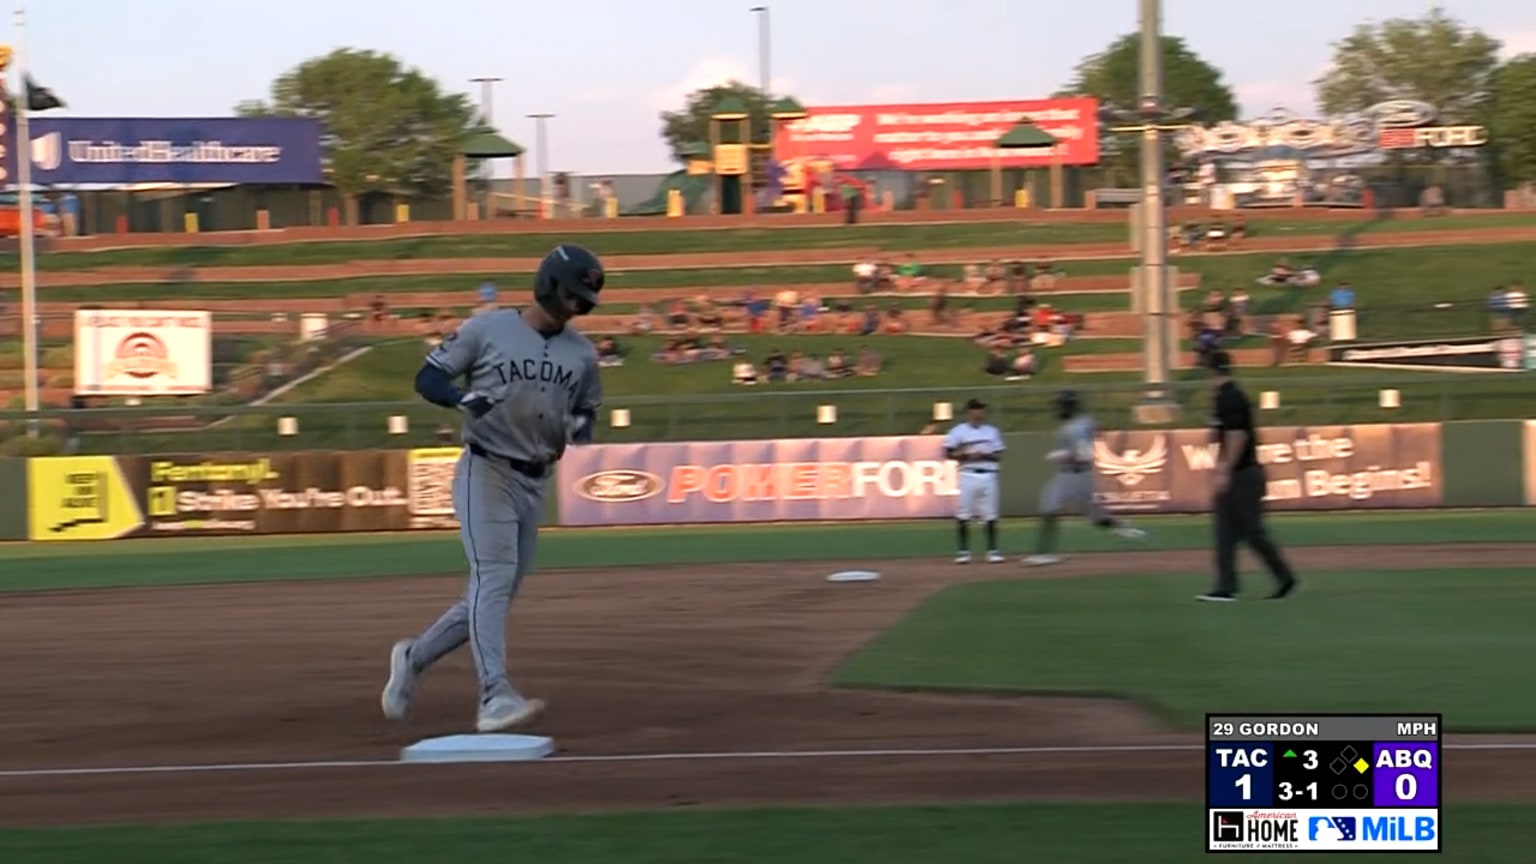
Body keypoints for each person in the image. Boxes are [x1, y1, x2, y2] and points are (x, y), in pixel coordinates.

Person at [382, 243, 606, 732]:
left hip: (534, 481)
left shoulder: (582, 353)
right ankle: (494, 695)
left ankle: (414, 658)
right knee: (494, 577)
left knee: (492, 591)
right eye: (571, 296)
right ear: (548, 285)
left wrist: (580, 426)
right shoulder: (488, 328)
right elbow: (429, 376)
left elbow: (589, 408)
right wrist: (462, 397)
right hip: (485, 470)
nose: (576, 308)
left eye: (583, 301)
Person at [1197, 350, 1299, 602]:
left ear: (1212, 370)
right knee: (1225, 532)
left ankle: (1285, 578)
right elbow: (1218, 434)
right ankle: (1226, 587)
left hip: (1243, 474)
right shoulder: (1222, 396)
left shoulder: (1230, 397)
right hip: (1240, 473)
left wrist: (1224, 470)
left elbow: (1237, 436)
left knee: (1252, 532)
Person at [1023, 390, 1145, 566]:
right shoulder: (1082, 422)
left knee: (1049, 508)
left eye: (1060, 405)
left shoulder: (1075, 427)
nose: (1057, 409)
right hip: (1072, 475)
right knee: (1091, 516)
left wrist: (1063, 455)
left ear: (1069, 406)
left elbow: (1084, 454)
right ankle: (1121, 526)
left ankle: (1044, 553)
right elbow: (1097, 429)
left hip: (1075, 475)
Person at [943, 398, 1006, 564]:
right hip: (968, 474)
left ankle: (993, 551)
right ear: (969, 412)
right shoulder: (958, 431)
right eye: (977, 409)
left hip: (989, 473)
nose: (980, 412)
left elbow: (999, 455)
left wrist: (984, 455)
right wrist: (967, 455)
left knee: (990, 513)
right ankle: (963, 551)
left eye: (982, 409)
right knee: (964, 513)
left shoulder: (992, 431)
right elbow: (948, 453)